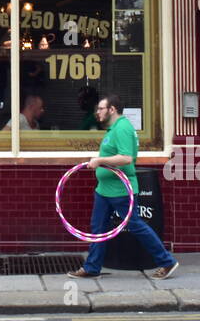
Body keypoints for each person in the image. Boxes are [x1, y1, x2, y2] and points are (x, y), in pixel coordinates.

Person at [68, 95, 178, 280]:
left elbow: (126, 158)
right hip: (104, 190)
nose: (97, 112)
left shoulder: (123, 129)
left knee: (136, 226)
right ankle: (92, 267)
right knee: (98, 229)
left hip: (120, 190)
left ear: (112, 110)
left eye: (101, 108)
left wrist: (99, 161)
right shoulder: (114, 129)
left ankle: (167, 261)